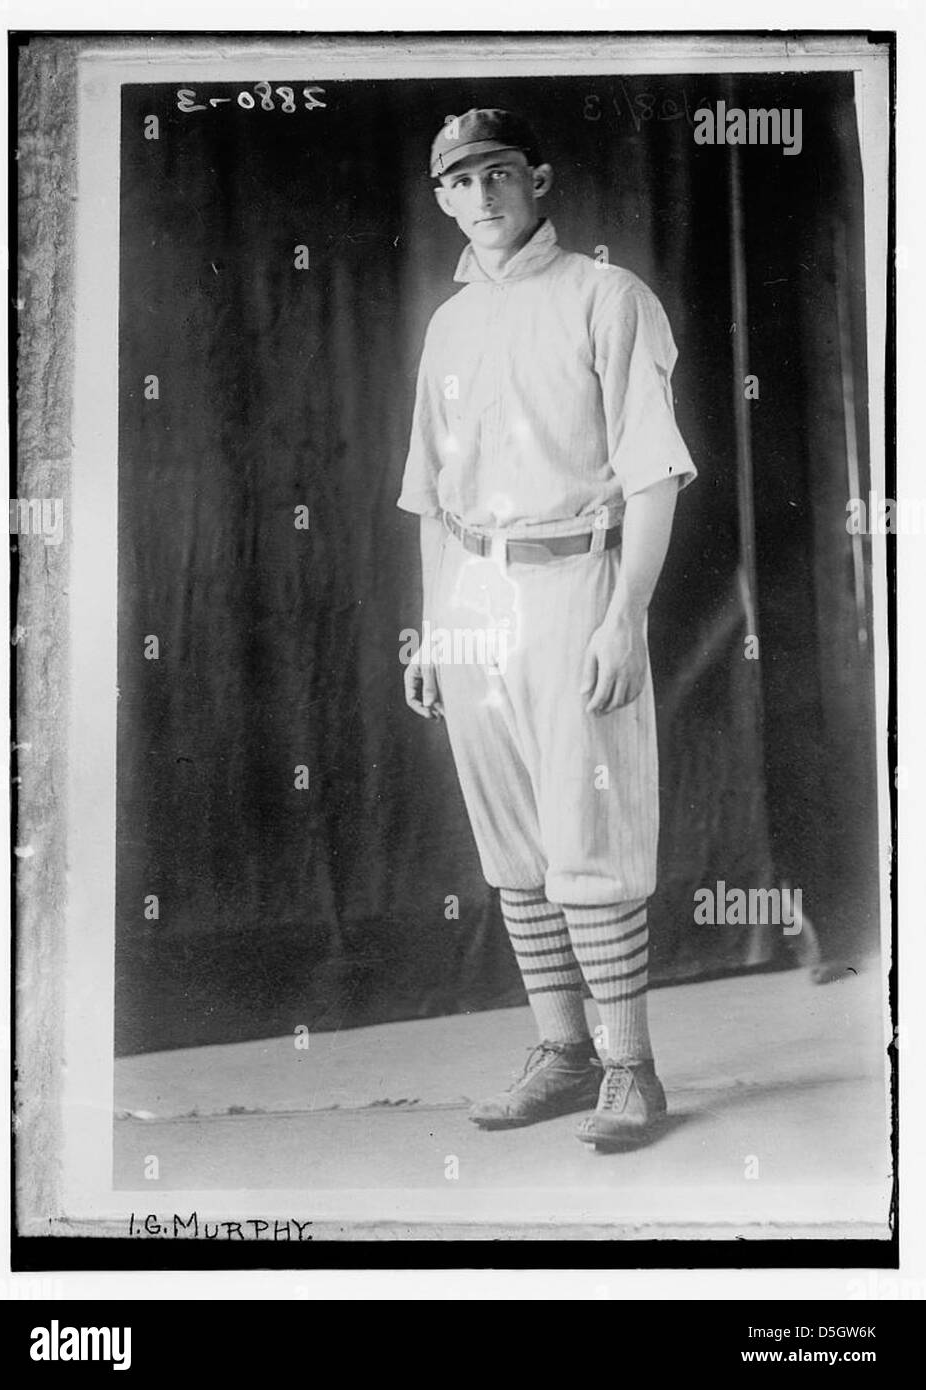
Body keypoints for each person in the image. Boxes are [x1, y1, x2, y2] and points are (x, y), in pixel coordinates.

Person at [398, 109, 697, 1150]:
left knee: (588, 828)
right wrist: (437, 629)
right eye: (461, 179)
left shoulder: (606, 297)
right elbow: (434, 496)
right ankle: (562, 1052)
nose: (482, 194)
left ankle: (629, 1067)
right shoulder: (448, 326)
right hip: (478, 588)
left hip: (577, 578)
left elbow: (652, 469)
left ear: (541, 180)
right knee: (514, 840)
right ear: (441, 198)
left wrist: (626, 613)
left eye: (500, 172)